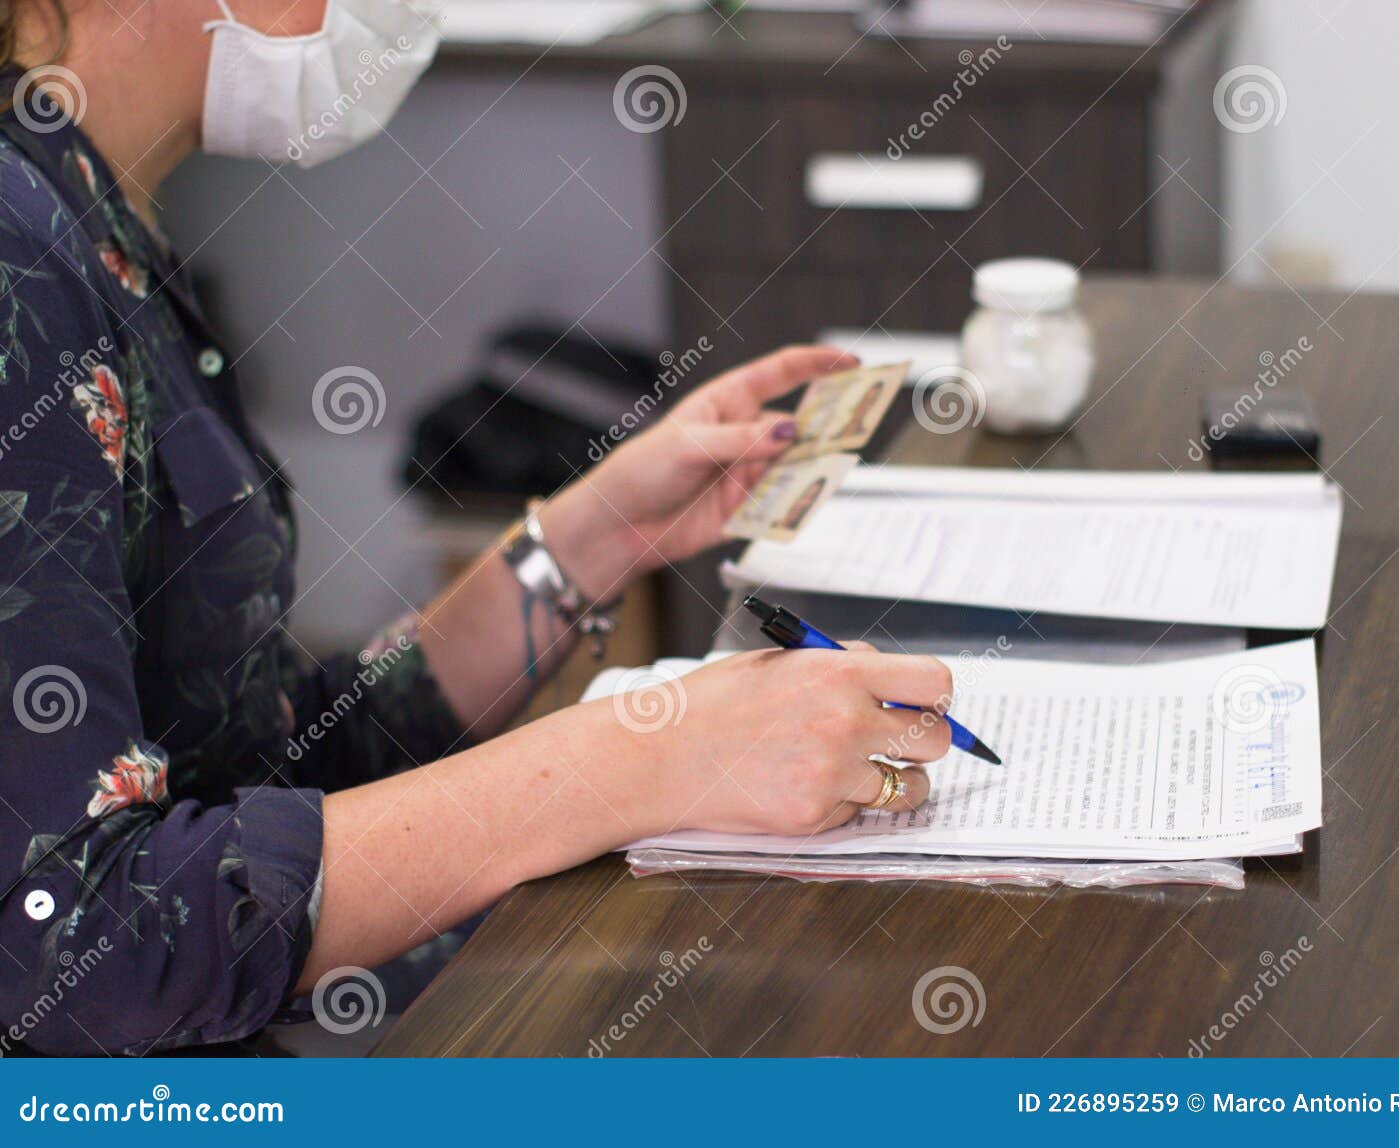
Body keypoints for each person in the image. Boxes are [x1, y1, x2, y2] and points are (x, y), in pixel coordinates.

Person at [0, 0, 950, 1054]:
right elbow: (84, 945)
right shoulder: (17, 260)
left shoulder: (101, 224)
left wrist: (592, 537)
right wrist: (640, 758)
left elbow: (261, 755)